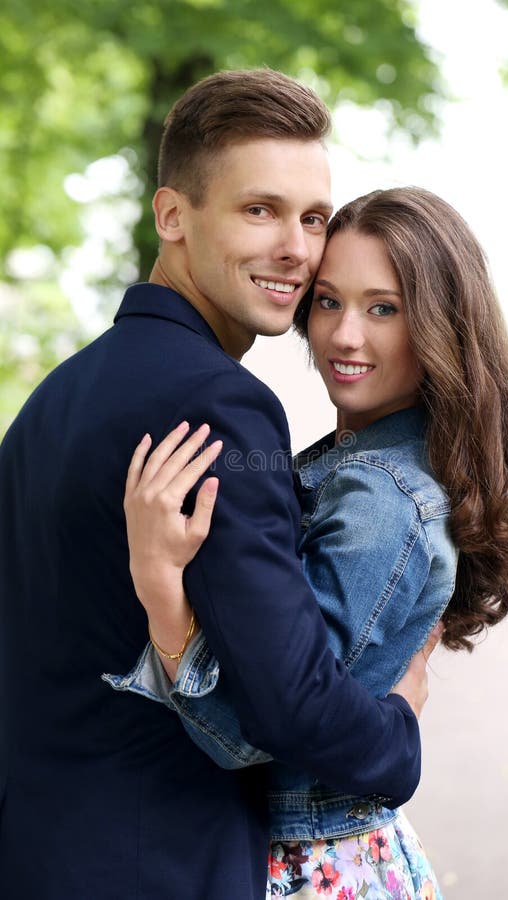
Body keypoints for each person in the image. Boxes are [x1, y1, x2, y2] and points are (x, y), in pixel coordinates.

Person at [0, 71, 439, 900]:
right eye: (259, 210)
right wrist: (399, 729)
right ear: (172, 216)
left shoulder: (55, 397)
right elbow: (294, 703)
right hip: (158, 864)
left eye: (312, 218)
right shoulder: (220, 407)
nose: (297, 249)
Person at [113, 187, 508, 898]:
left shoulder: (382, 498)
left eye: (384, 308)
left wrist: (161, 585)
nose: (346, 336)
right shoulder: (347, 464)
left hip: (311, 869)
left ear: (439, 324)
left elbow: (263, 728)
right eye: (328, 301)